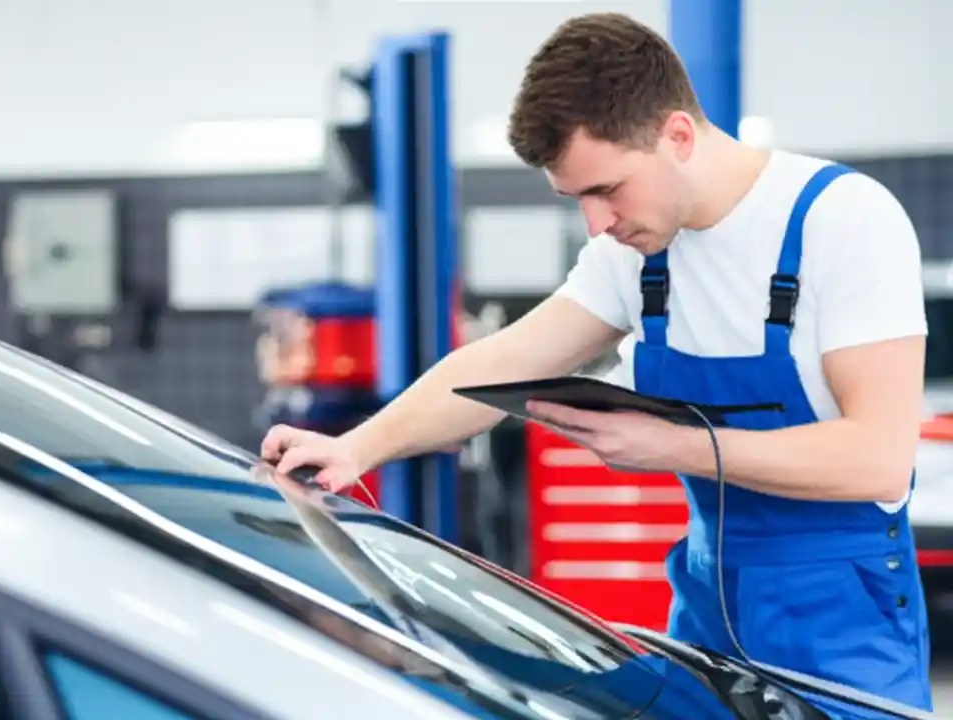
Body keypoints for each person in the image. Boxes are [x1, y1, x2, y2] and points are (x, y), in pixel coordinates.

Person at [260, 11, 933, 712]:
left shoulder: (842, 221)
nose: (596, 222)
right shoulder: (633, 256)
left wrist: (675, 447)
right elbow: (495, 365)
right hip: (707, 612)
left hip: (844, 627)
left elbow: (875, 460)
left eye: (606, 189)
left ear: (676, 135)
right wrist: (356, 447)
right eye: (575, 197)